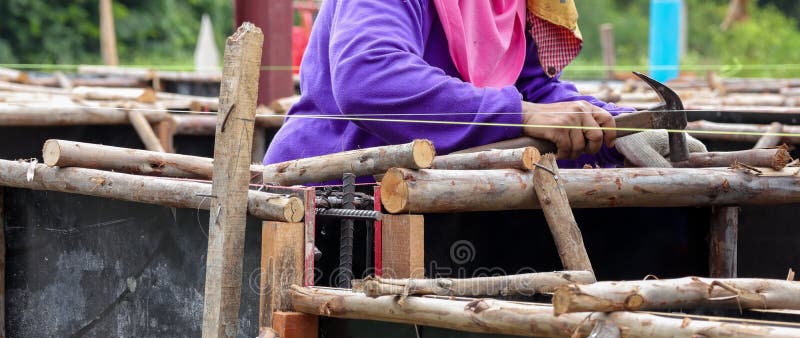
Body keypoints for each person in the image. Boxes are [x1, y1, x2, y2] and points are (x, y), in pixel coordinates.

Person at [265, 0, 704, 173]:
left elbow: (535, 89)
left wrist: (617, 128)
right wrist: (523, 115)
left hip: (438, 192)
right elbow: (369, 77)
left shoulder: (511, 5)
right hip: (332, 197)